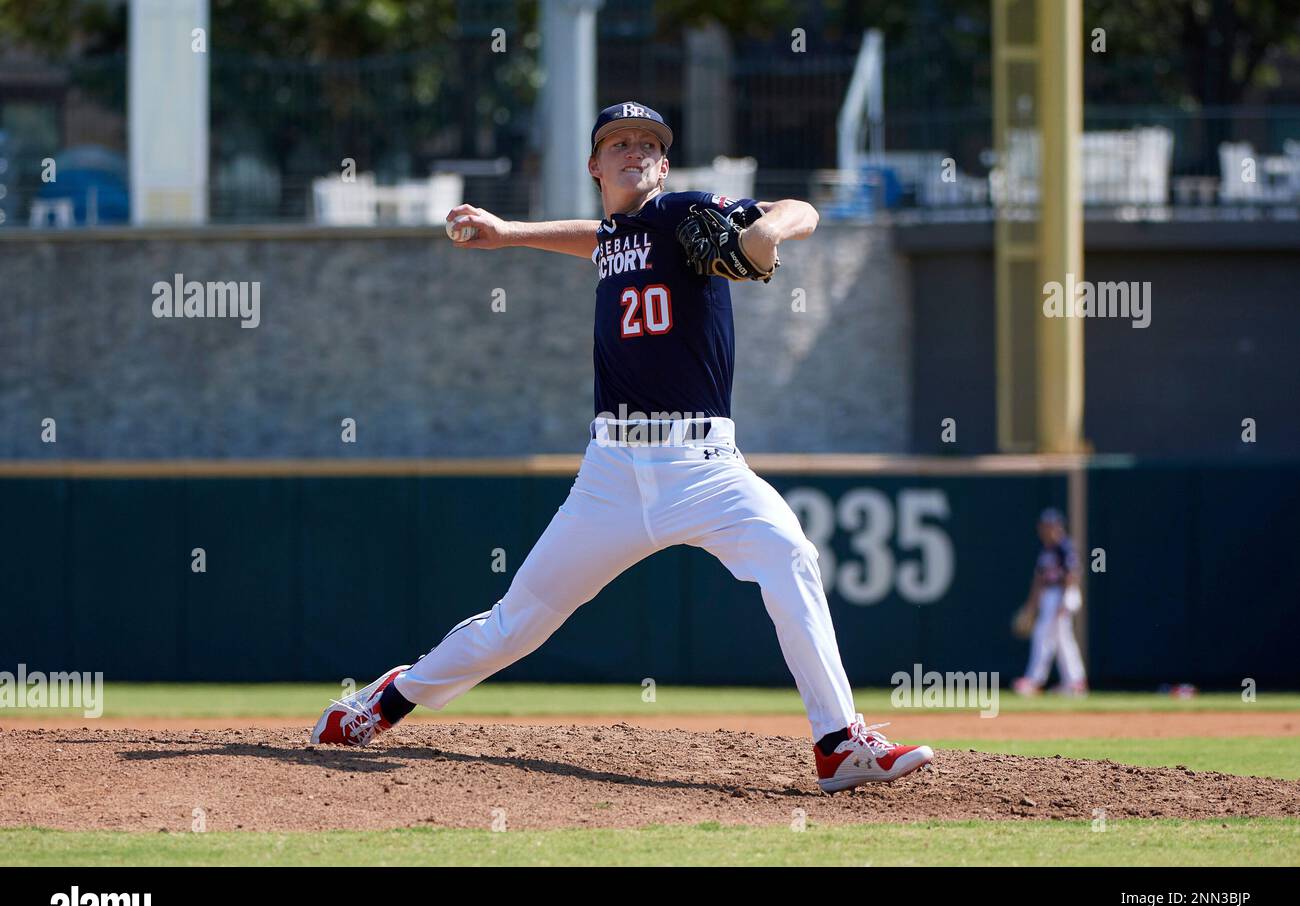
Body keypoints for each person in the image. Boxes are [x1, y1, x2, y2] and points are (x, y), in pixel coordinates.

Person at [310, 102, 933, 792]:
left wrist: (762, 229)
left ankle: (838, 742)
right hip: (610, 474)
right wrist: (509, 232)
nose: (635, 150)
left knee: (790, 555)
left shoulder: (686, 212)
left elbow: (796, 214)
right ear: (595, 166)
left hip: (705, 470)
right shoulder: (616, 234)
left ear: (664, 166)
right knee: (517, 627)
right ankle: (388, 700)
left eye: (648, 144)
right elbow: (600, 238)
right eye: (619, 142)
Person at [1014, 508, 1087, 696]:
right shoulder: (1046, 550)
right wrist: (1031, 608)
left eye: (1050, 526)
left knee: (1043, 635)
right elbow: (1038, 581)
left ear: (1058, 527)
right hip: (1051, 595)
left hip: (1063, 593)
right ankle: (1075, 683)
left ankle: (1034, 680)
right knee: (1061, 639)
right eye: (1044, 526)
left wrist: (1063, 602)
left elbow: (1073, 575)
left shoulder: (1065, 547)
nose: (1046, 530)